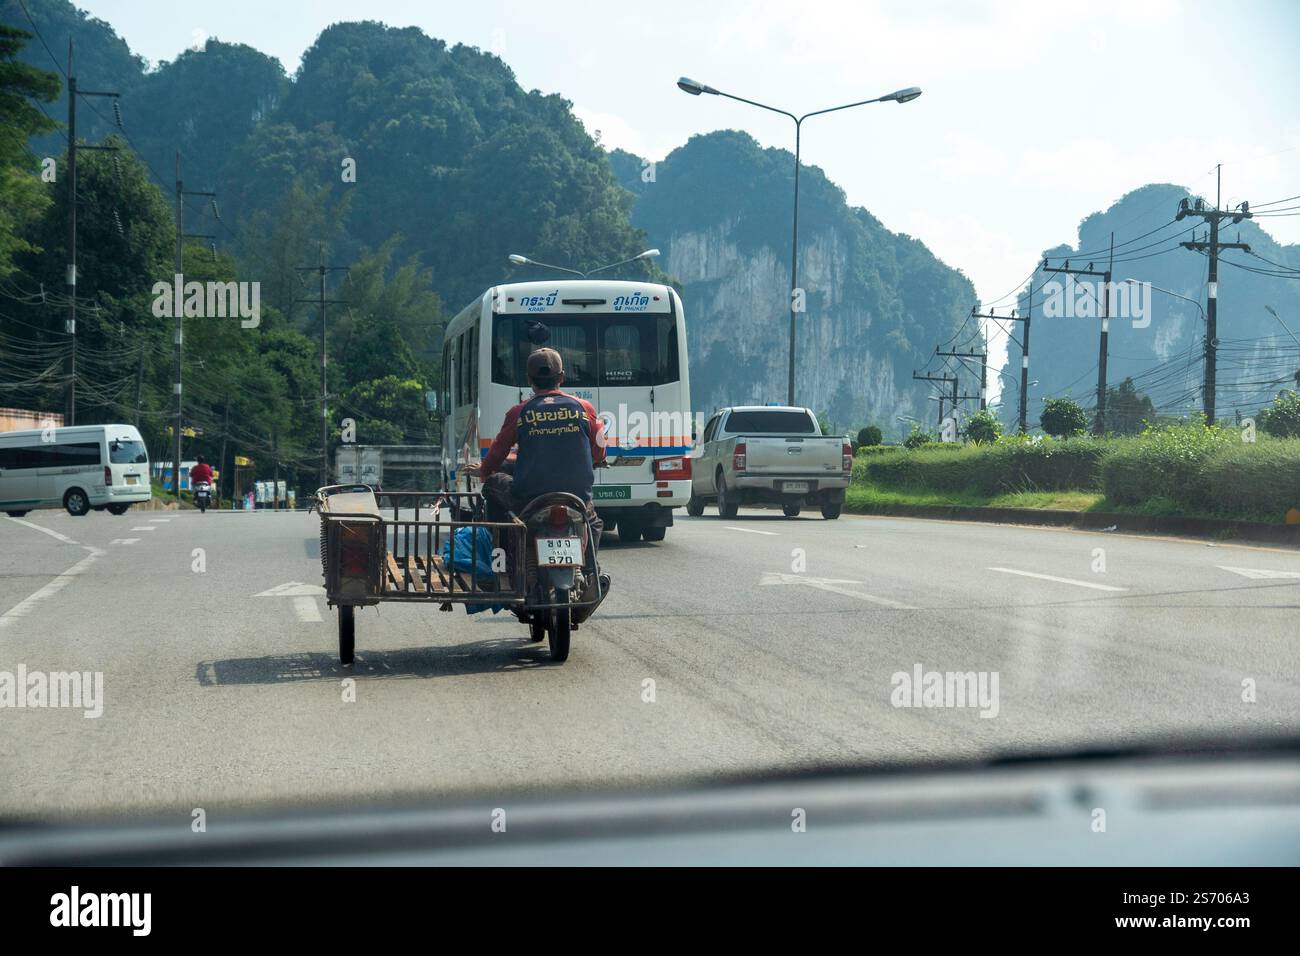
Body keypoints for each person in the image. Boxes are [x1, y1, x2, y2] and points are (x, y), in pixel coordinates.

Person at [466, 347, 609, 592]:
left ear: (529, 380)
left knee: (492, 485)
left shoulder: (519, 412)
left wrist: (484, 470)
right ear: (562, 377)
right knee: (593, 522)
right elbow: (599, 448)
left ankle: (499, 560)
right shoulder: (584, 408)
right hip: (576, 497)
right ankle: (590, 571)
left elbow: (497, 454)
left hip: (528, 498)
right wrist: (595, 459)